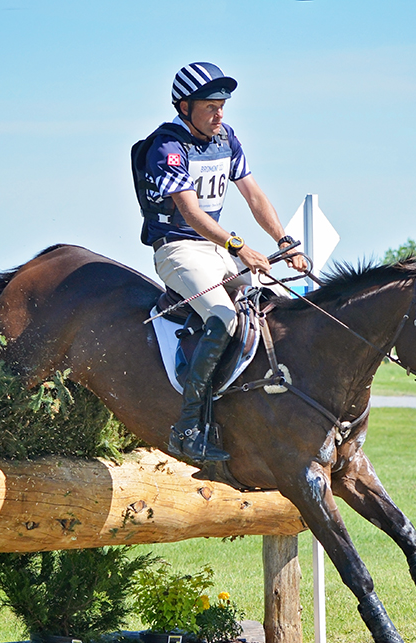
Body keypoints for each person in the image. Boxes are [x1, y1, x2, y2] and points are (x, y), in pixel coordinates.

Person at [134, 62, 306, 462]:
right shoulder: (167, 147)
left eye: (223, 105)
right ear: (184, 107)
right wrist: (240, 248)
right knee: (224, 317)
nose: (220, 114)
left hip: (215, 248)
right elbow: (191, 214)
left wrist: (284, 240)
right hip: (178, 250)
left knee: (269, 309)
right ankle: (189, 428)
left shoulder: (226, 139)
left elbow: (255, 197)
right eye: (210, 106)